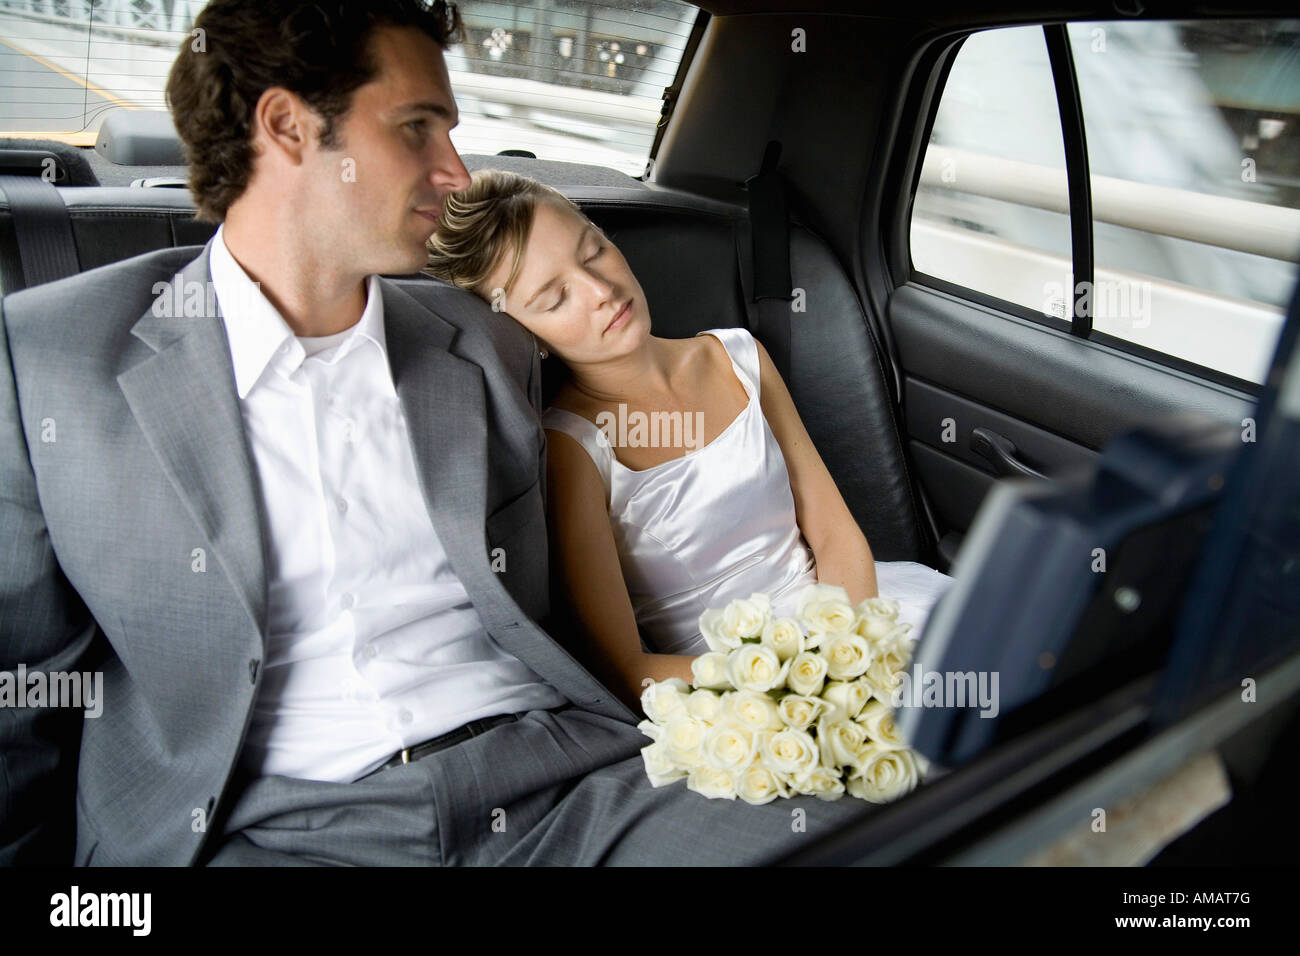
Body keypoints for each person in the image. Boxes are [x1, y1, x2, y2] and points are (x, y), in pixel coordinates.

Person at [0, 0, 897, 867]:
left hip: (567, 782)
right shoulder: (48, 361)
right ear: (288, 129)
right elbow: (19, 697)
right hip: (271, 826)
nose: (457, 174)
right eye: (418, 129)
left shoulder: (488, 344)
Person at [423, 170, 954, 712]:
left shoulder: (740, 357)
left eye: (594, 253)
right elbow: (626, 669)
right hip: (728, 683)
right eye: (556, 297)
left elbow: (836, 534)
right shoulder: (572, 449)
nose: (602, 293)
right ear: (522, 335)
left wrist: (851, 653)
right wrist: (789, 685)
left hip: (850, 616)